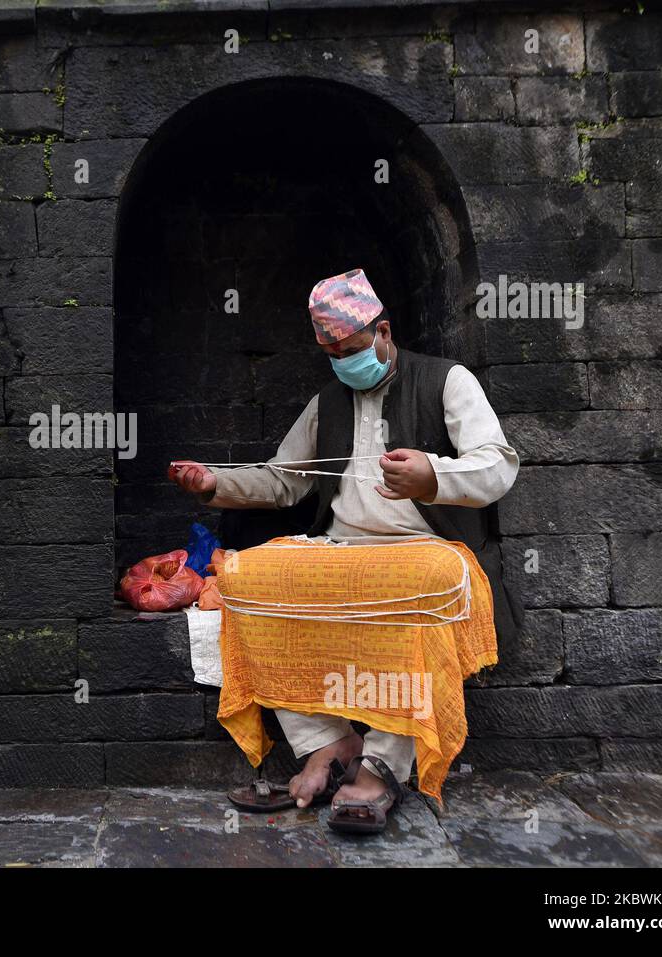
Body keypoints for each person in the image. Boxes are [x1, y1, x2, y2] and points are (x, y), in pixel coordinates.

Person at [168, 267, 521, 829]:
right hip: (339, 551)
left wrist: (433, 475)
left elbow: (497, 465)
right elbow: (284, 480)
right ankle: (326, 743)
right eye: (332, 353)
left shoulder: (447, 380)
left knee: (422, 585)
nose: (343, 361)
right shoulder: (328, 401)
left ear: (383, 331)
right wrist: (215, 483)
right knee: (246, 578)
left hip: (425, 550)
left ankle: (383, 761)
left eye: (352, 348)